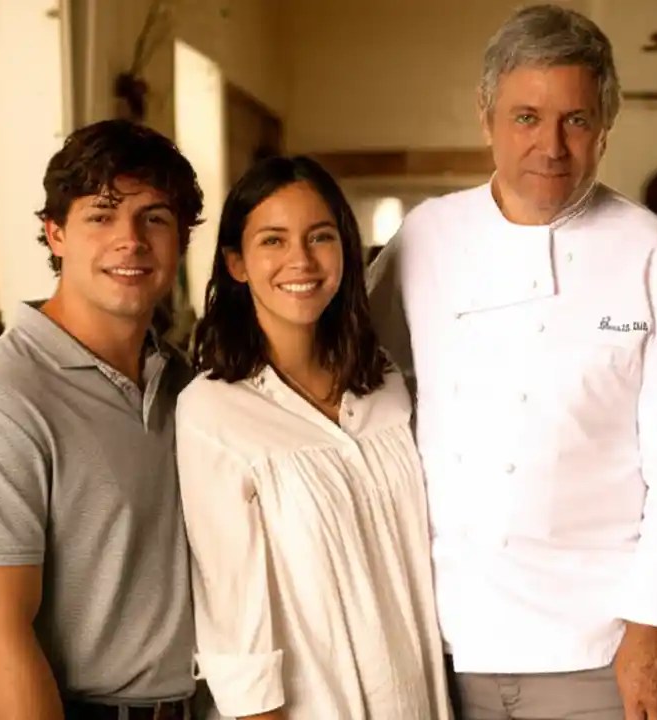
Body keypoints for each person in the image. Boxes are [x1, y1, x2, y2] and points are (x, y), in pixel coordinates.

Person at [367, 5, 657, 718]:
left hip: (598, 644)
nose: (552, 146)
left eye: (576, 120)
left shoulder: (655, 256)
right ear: (487, 118)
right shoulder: (427, 237)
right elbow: (355, 383)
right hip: (439, 636)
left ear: (605, 127)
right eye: (527, 117)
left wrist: (654, 626)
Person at [0, 119, 204, 719]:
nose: (130, 240)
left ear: (180, 239)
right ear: (55, 234)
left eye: (154, 217)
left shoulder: (189, 387)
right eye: (101, 216)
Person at [176, 156, 451, 720]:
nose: (300, 260)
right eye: (272, 241)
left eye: (319, 237)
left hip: (418, 696)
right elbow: (232, 611)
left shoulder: (385, 385)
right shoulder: (213, 409)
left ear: (346, 250)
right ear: (237, 264)